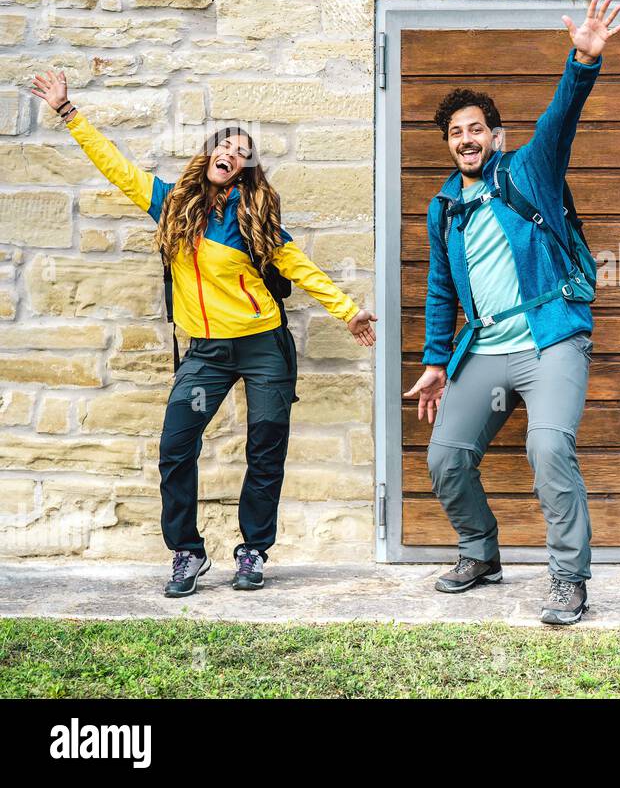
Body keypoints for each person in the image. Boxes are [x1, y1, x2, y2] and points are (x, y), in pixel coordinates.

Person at [29, 71, 378, 597]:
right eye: (225, 147)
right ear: (209, 154)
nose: (232, 155)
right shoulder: (170, 204)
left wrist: (347, 310)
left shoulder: (253, 218)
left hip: (264, 348)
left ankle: (253, 550)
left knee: (265, 447)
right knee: (176, 446)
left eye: (243, 154)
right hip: (207, 355)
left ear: (245, 171)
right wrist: (68, 111)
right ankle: (187, 553)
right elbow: (115, 165)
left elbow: (299, 266)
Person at [403, 0, 620, 625]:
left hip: (551, 340)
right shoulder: (443, 208)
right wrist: (436, 363)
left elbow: (562, 115)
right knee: (446, 457)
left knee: (549, 448)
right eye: (454, 133)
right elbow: (442, 291)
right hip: (487, 349)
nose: (465, 139)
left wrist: (582, 58)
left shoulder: (529, 169)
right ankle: (480, 552)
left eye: (475, 129)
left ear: (493, 137)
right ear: (448, 144)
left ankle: (567, 578)